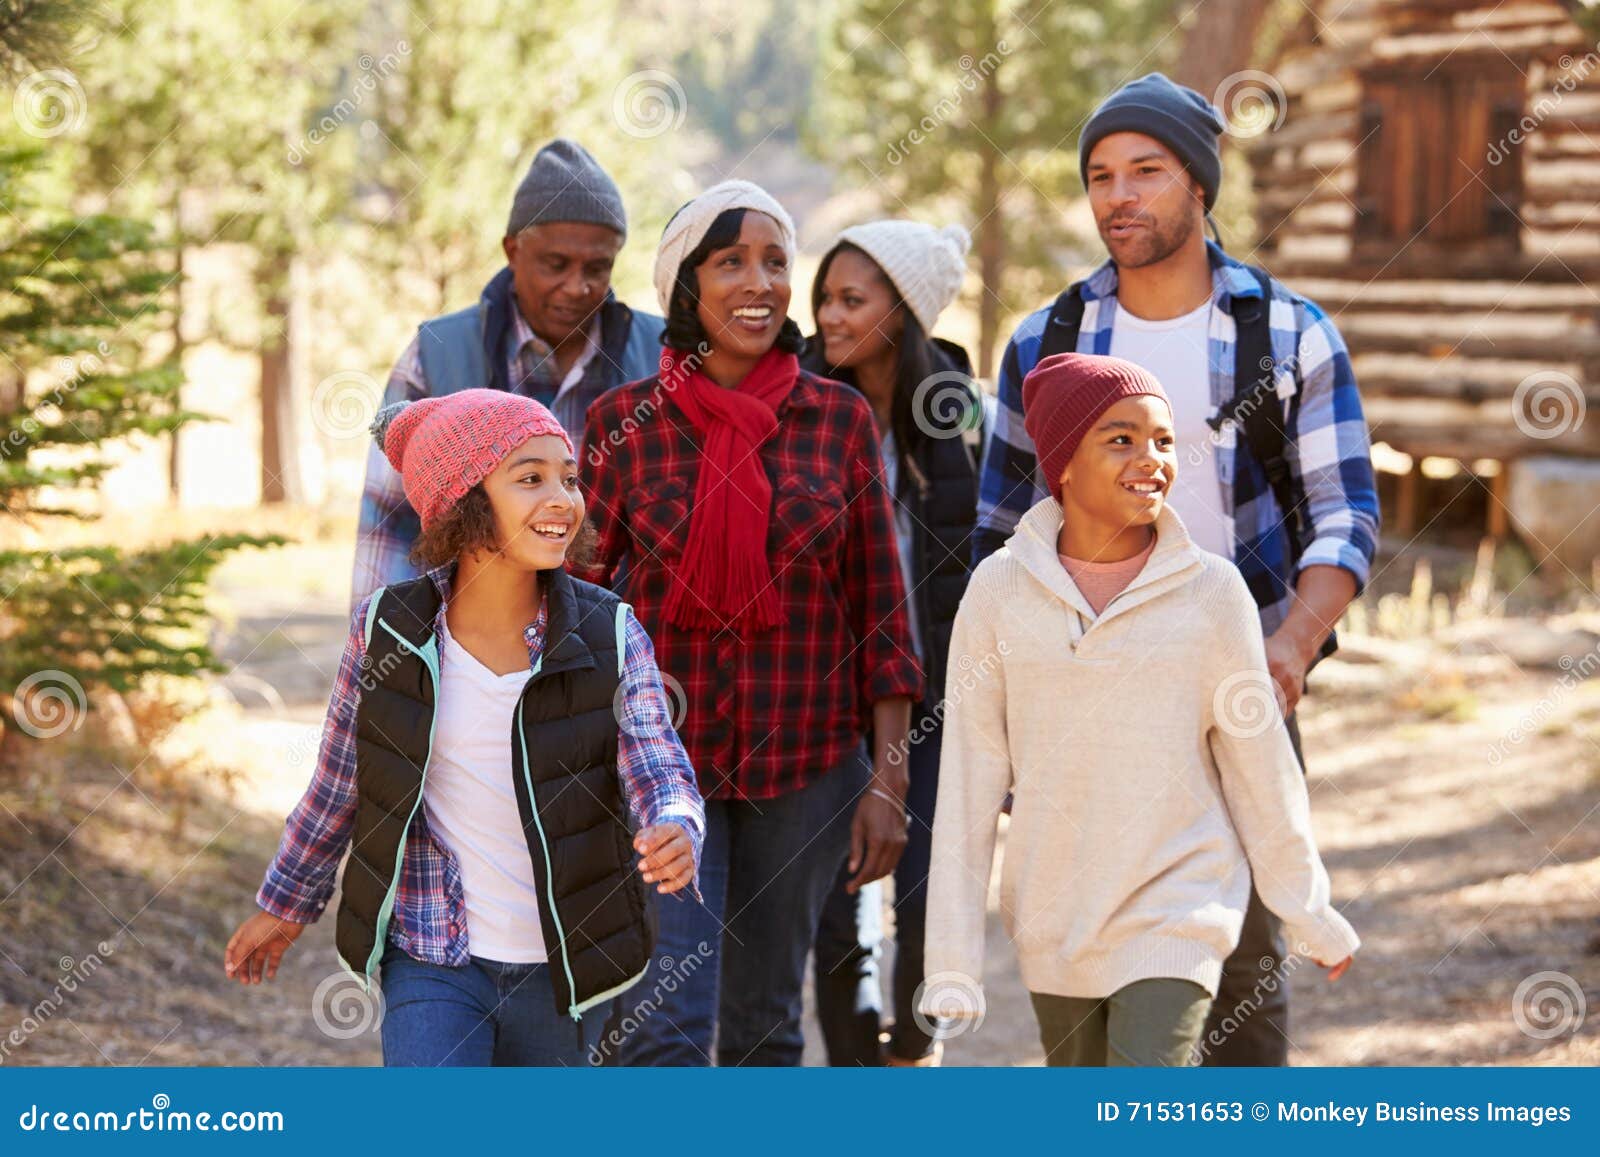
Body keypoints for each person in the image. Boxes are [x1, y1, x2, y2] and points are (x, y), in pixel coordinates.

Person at [971, 72, 1380, 1065]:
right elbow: (995, 535)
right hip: (1082, 692)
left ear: (1199, 184)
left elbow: (1347, 515)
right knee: (1088, 965)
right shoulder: (1047, 341)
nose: (1119, 195)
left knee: (1241, 964)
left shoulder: (1286, 334)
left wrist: (1286, 645)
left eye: (1146, 171)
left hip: (1235, 682)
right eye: (1100, 175)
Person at [224, 389, 704, 1067]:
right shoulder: (385, 630)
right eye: (530, 478)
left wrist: (676, 824)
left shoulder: (611, 632)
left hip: (566, 965)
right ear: (464, 503)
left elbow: (658, 763)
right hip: (433, 956)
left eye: (568, 477)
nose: (564, 497)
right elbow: (339, 785)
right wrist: (286, 901)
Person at [926, 352, 1359, 1067]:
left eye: (1162, 440)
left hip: (1178, 906)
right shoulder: (997, 592)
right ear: (1063, 462)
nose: (1153, 458)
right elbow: (969, 776)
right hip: (1052, 916)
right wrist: (950, 959)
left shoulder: (1212, 594)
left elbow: (1261, 764)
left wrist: (1308, 910)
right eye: (1121, 438)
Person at [577, 180, 923, 1066]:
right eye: (731, 261)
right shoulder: (624, 425)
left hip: (803, 768)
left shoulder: (836, 420)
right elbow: (574, 602)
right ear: (686, 286)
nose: (759, 281)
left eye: (775, 260)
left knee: (767, 1024)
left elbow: (883, 615)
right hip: (659, 767)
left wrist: (887, 783)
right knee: (663, 1023)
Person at [802, 219, 978, 1066]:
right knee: (841, 902)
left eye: (850, 300)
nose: (828, 317)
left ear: (901, 313)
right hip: (829, 694)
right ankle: (852, 1066)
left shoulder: (955, 407)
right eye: (824, 298)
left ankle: (913, 1048)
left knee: (929, 889)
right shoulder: (796, 399)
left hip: (939, 692)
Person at [352, 139, 665, 606]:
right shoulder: (440, 353)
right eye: (555, 265)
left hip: (616, 649)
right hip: (466, 645)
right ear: (513, 250)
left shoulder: (661, 357)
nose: (577, 287)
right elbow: (389, 522)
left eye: (598, 268)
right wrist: (387, 652)